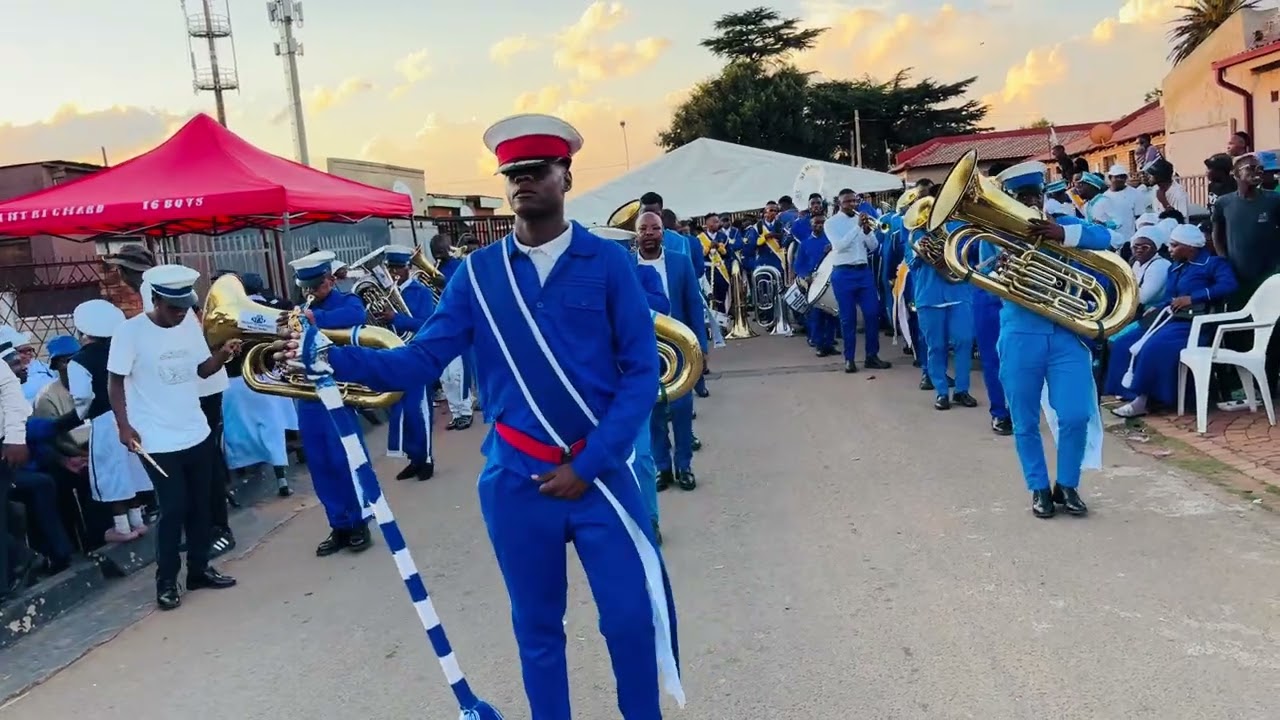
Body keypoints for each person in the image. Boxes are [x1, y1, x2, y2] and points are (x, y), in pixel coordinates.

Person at [276, 113, 682, 718]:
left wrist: (593, 460)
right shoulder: (478, 274)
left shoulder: (608, 263)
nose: (523, 182)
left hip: (600, 477)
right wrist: (337, 356)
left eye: (537, 171)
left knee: (629, 621)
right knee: (539, 632)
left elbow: (643, 374)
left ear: (564, 176)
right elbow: (419, 361)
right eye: (513, 173)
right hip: (517, 482)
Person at [107, 265, 238, 610]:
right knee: (174, 508)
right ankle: (166, 581)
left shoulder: (189, 326)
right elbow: (115, 381)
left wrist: (223, 354)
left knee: (200, 506)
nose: (180, 314)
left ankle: (199, 569)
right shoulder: (130, 332)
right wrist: (124, 425)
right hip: (155, 439)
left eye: (185, 307)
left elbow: (201, 371)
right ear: (156, 301)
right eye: (174, 308)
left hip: (194, 430)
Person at [993, 161, 1114, 519]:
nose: (1028, 204)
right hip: (1019, 334)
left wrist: (1063, 235)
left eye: (1033, 196)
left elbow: (1107, 237)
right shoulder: (999, 234)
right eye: (1019, 198)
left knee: (1076, 414)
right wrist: (998, 264)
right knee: (1025, 420)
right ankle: (1038, 488)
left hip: (1065, 334)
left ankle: (1068, 485)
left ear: (1043, 198)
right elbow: (976, 274)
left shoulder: (1067, 224)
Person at [288, 251, 377, 556]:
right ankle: (338, 523)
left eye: (316, 285)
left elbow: (357, 317)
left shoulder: (347, 301)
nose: (310, 292)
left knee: (346, 458)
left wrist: (317, 319)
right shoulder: (301, 308)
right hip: (310, 395)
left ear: (329, 279)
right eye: (306, 287)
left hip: (340, 391)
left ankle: (360, 521)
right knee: (321, 462)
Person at [1106, 224, 1239, 418]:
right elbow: (1170, 296)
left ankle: (1144, 400)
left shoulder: (1213, 263)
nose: (1170, 249)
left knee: (1152, 347)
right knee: (1124, 342)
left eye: (1175, 245)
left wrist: (1193, 298)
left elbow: (1229, 285)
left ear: (1190, 247)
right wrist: (1160, 306)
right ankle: (1131, 391)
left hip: (1194, 323)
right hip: (1171, 318)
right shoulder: (1176, 267)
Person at [67, 300, 153, 544]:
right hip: (130, 415)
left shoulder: (79, 361)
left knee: (111, 473)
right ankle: (138, 521)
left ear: (83, 331)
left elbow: (82, 396)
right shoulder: (122, 351)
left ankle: (122, 528)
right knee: (133, 469)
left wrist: (82, 414)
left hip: (104, 421)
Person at [635, 210, 702, 494]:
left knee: (682, 409)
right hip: (640, 350)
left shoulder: (681, 261)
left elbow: (693, 304)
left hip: (679, 347)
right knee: (654, 413)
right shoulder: (625, 265)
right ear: (636, 233)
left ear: (664, 232)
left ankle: (684, 465)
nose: (649, 233)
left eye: (655, 228)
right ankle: (663, 467)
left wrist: (702, 347)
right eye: (643, 229)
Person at [375, 245, 437, 480]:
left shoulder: (420, 292)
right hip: (395, 356)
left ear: (408, 268)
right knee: (400, 411)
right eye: (390, 268)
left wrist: (397, 318)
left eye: (399, 267)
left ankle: (427, 459)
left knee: (419, 410)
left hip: (417, 356)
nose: (394, 272)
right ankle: (414, 458)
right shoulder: (384, 293)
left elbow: (427, 324)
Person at [907, 220, 978, 411]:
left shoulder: (956, 229)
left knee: (964, 340)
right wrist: (920, 252)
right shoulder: (915, 235)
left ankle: (962, 390)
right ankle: (942, 392)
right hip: (929, 297)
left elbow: (969, 256)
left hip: (958, 293)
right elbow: (910, 263)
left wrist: (949, 255)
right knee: (936, 346)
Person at [825, 188, 892, 373]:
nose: (853, 205)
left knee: (872, 314)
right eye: (848, 201)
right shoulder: (831, 223)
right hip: (843, 273)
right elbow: (839, 246)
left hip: (863, 272)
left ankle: (872, 356)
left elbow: (873, 247)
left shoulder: (861, 221)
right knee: (848, 319)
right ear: (840, 203)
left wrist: (868, 232)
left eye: (855, 201)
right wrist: (856, 228)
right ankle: (849, 359)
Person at [1211, 153, 1280, 303]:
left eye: (1260, 169)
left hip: (1269, 273)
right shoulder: (1224, 203)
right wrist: (1224, 261)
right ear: (1236, 174)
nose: (1258, 172)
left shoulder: (1274, 200)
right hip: (1238, 273)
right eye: (1251, 168)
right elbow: (1217, 236)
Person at [434, 234, 476, 431]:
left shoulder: (460, 265)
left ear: (448, 248)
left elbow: (465, 290)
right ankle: (456, 413)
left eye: (441, 251)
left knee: (459, 373)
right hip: (442, 326)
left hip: (459, 325)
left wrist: (444, 284)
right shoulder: (436, 269)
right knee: (446, 376)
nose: (439, 255)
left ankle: (465, 412)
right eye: (436, 253)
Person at [794, 212, 838, 356]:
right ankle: (819, 344)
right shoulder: (805, 243)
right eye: (816, 223)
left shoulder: (831, 241)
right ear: (811, 225)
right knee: (817, 315)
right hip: (813, 282)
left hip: (830, 281)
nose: (819, 226)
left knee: (831, 314)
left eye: (822, 223)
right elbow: (798, 265)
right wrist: (806, 276)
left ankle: (830, 344)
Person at [1130, 226, 1172, 312]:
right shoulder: (1137, 264)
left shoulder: (1160, 265)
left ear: (1156, 248)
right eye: (1135, 247)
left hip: (1156, 310)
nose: (1139, 250)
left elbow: (1143, 298)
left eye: (1145, 247)